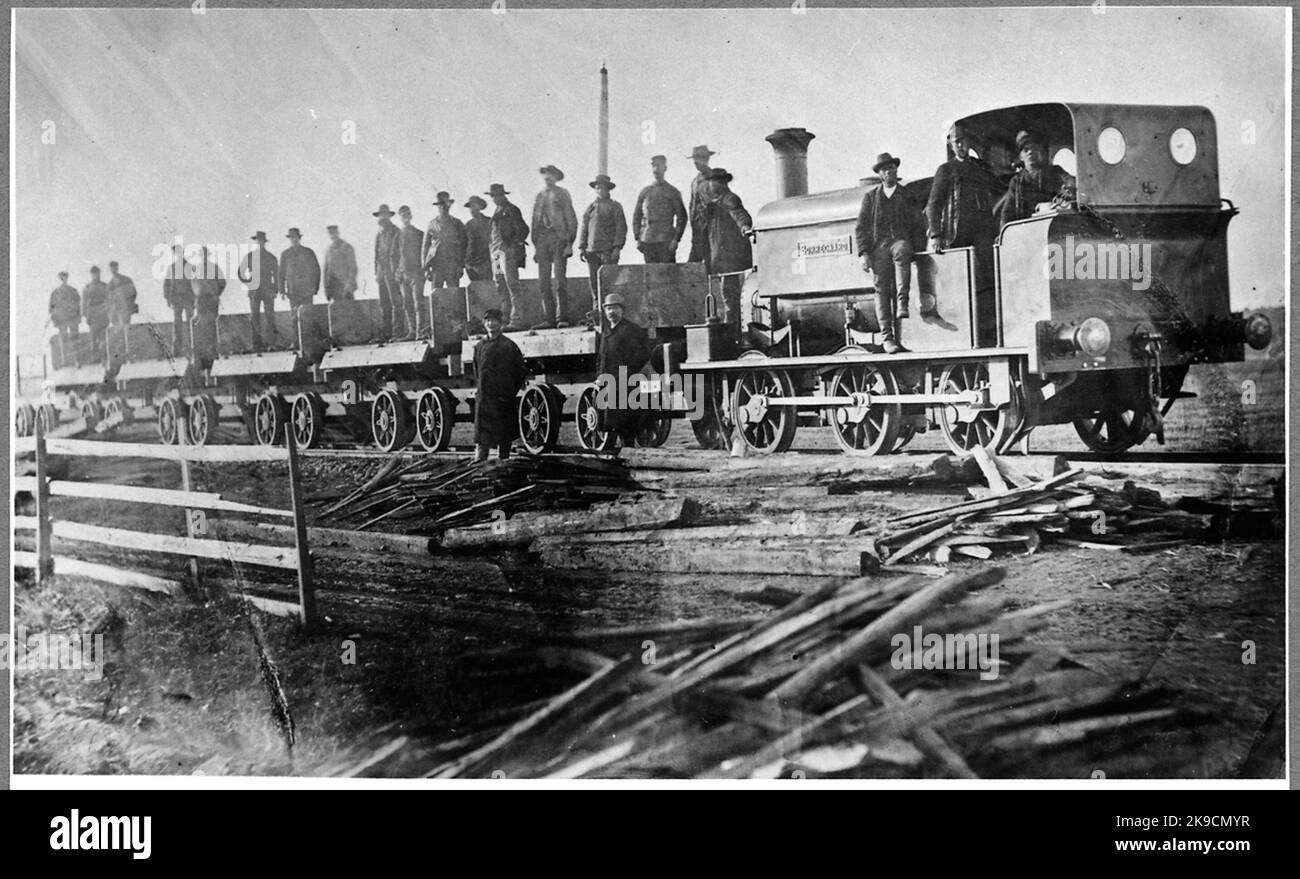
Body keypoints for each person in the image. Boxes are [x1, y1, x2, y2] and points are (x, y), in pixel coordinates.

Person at [926, 122, 1003, 314]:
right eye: (957, 142)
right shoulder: (946, 170)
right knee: (960, 281)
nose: (961, 146)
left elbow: (999, 190)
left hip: (982, 231)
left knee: (989, 276)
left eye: (963, 141)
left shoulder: (980, 170)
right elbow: (933, 205)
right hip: (957, 234)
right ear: (951, 145)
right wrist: (936, 234)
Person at [854, 152, 926, 354]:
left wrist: (918, 248)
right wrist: (864, 253)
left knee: (902, 250)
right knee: (881, 290)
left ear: (896, 170)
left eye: (892, 167)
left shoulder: (907, 196)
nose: (889, 171)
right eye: (884, 169)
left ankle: (902, 302)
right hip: (879, 246)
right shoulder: (871, 198)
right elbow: (861, 227)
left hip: (899, 241)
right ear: (880, 174)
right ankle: (887, 337)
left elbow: (918, 224)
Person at [595, 292, 652, 448]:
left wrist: (628, 372)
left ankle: (628, 449)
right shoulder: (605, 332)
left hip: (626, 383)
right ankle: (612, 452)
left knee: (626, 420)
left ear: (622, 310)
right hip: (609, 383)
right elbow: (601, 356)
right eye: (608, 309)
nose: (612, 312)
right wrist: (600, 375)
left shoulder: (631, 330)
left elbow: (644, 353)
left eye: (615, 308)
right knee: (610, 419)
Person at [702, 167, 754, 335]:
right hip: (722, 260)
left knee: (730, 298)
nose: (711, 185)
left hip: (730, 261)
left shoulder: (729, 199)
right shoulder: (714, 205)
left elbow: (739, 214)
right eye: (710, 181)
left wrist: (744, 226)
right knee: (727, 297)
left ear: (722, 183)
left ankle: (733, 333)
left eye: (714, 181)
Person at [472, 307, 527, 462]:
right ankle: (480, 465)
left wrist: (508, 391)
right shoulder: (479, 346)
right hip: (484, 398)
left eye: (494, 321)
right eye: (488, 321)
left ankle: (503, 462)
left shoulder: (508, 345)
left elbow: (519, 370)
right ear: (484, 324)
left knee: (504, 435)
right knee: (482, 437)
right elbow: (477, 370)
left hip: (502, 398)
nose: (491, 324)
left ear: (500, 324)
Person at [531, 164, 578, 328]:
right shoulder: (539, 196)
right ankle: (548, 319)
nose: (547, 177)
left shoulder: (562, 194)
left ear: (556, 177)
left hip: (559, 238)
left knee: (559, 281)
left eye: (550, 175)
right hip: (543, 240)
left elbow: (570, 217)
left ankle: (562, 318)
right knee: (543, 282)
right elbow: (535, 220)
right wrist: (536, 245)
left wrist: (569, 243)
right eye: (545, 174)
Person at [999, 130, 1076, 226]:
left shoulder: (1055, 171)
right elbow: (1007, 214)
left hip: (1056, 225)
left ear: (1040, 151)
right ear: (1021, 156)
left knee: (1070, 239)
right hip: (1027, 231)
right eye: (1026, 150)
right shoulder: (1016, 181)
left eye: (1034, 148)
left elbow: (1071, 181)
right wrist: (1003, 234)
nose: (1030, 152)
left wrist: (1069, 186)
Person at [579, 174, 628, 315]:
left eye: (602, 187)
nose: (599, 190)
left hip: (607, 251)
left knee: (610, 282)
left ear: (608, 189)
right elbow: (584, 228)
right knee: (594, 284)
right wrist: (582, 247)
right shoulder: (590, 208)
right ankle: (597, 311)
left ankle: (611, 312)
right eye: (597, 187)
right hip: (591, 251)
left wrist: (617, 248)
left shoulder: (615, 206)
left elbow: (621, 228)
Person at [487, 183, 529, 330]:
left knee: (512, 284)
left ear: (503, 195)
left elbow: (523, 229)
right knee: (500, 285)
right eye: (493, 196)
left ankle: (516, 320)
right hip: (496, 254)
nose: (495, 198)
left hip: (506, 252)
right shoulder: (497, 211)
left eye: (497, 195)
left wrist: (514, 246)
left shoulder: (511, 210)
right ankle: (505, 318)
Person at [633, 155, 688, 263]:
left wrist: (676, 239)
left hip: (666, 241)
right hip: (647, 240)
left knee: (667, 275)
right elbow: (637, 216)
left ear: (665, 168)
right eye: (654, 166)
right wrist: (638, 237)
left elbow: (682, 217)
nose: (656, 169)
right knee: (650, 275)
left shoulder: (672, 192)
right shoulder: (645, 192)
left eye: (659, 166)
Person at [240, 231, 282, 351]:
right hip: (254, 291)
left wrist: (275, 289)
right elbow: (241, 272)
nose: (259, 243)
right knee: (254, 317)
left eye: (261, 241)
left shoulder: (271, 257)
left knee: (270, 317)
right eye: (257, 241)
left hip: (268, 290)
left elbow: (277, 274)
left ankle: (272, 343)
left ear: (264, 242)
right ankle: (256, 344)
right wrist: (249, 282)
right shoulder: (249, 257)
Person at [423, 191, 469, 290]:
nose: (443, 207)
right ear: (437, 207)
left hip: (452, 264)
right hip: (437, 265)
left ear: (449, 205)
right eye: (441, 205)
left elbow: (464, 245)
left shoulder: (457, 223)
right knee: (436, 294)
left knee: (453, 294)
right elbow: (425, 247)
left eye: (445, 204)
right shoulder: (431, 224)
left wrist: (461, 266)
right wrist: (426, 268)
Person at [394, 205, 425, 341]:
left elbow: (425, 253)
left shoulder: (419, 234)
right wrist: (396, 270)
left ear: (411, 216)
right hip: (403, 274)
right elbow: (393, 256)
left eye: (407, 215)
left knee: (418, 302)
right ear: (400, 218)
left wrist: (425, 269)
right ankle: (412, 331)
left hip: (416, 273)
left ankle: (420, 331)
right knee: (407, 303)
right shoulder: (398, 235)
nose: (405, 217)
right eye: (402, 215)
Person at [372, 203, 402, 340]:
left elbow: (399, 253)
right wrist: (376, 272)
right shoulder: (379, 233)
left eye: (384, 215)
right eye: (380, 215)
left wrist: (397, 271)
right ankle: (386, 333)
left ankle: (398, 332)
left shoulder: (395, 231)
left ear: (388, 216)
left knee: (395, 301)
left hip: (392, 270)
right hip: (382, 271)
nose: (382, 218)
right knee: (384, 303)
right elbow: (376, 254)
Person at [280, 227, 321, 319]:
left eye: (296, 237)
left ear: (299, 238)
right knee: (295, 316)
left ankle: (308, 334)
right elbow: (281, 273)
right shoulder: (285, 254)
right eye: (292, 237)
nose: (294, 239)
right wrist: (282, 290)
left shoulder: (308, 252)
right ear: (289, 239)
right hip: (293, 291)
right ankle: (296, 333)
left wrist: (315, 287)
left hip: (306, 290)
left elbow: (316, 270)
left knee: (308, 316)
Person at [686, 145, 717, 263]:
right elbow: (692, 205)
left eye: (697, 159)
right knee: (694, 262)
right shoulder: (695, 181)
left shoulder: (714, 178)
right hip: (697, 229)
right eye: (694, 159)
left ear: (705, 159)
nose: (695, 162)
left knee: (711, 261)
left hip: (710, 229)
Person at [162, 246, 195, 355]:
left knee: (191, 322)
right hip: (177, 300)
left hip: (189, 299)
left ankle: (193, 346)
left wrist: (196, 298)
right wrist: (167, 298)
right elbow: (166, 284)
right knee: (177, 324)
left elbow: (195, 283)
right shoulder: (172, 268)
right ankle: (177, 349)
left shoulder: (189, 267)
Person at [323, 225, 358, 301]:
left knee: (349, 309)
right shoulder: (329, 250)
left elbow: (353, 267)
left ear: (338, 233)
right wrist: (326, 289)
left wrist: (349, 283)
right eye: (330, 234)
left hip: (345, 286)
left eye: (334, 233)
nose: (333, 236)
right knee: (336, 311)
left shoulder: (347, 247)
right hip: (334, 287)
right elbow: (326, 271)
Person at [191, 246, 226, 320]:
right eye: (202, 255)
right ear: (200, 256)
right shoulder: (196, 268)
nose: (203, 257)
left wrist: (217, 294)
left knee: (213, 320)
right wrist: (196, 296)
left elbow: (222, 283)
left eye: (205, 255)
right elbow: (192, 284)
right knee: (201, 321)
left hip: (212, 298)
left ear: (208, 255)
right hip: (201, 299)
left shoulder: (215, 267)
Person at [463, 196, 494, 282]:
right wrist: (466, 263)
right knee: (475, 289)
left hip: (485, 262)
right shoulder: (468, 225)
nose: (472, 209)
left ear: (480, 207)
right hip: (470, 264)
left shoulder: (489, 222)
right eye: (470, 207)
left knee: (487, 287)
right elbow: (464, 245)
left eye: (474, 206)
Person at [82, 266, 110, 360]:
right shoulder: (87, 287)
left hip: (103, 314)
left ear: (99, 274)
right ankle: (94, 357)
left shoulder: (105, 286)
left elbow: (109, 300)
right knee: (93, 337)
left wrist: (107, 312)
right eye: (93, 274)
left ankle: (104, 357)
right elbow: (84, 302)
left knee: (103, 337)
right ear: (91, 275)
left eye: (97, 273)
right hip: (93, 316)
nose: (95, 276)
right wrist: (86, 315)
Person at [49, 271, 81, 351]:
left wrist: (78, 317)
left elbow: (78, 304)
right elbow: (52, 308)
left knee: (74, 339)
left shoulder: (73, 291)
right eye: (61, 278)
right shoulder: (55, 293)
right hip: (62, 319)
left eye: (65, 277)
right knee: (63, 340)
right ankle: (64, 361)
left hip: (72, 318)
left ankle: (76, 360)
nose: (63, 279)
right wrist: (54, 319)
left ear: (67, 278)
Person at [106, 261, 138, 329]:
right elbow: (108, 301)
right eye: (112, 268)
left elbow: (133, 293)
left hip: (125, 309)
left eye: (115, 268)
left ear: (117, 268)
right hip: (115, 312)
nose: (113, 270)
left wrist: (128, 304)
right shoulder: (109, 285)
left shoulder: (126, 280)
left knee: (125, 328)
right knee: (118, 331)